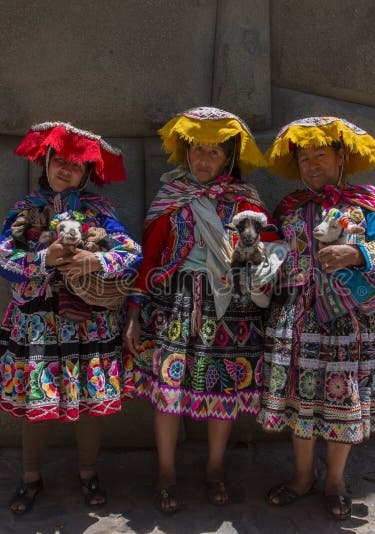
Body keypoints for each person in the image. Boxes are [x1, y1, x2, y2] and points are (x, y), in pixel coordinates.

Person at [123, 107, 282, 513]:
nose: (204, 160)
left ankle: (215, 469)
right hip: (175, 303)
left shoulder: (244, 201)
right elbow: (150, 256)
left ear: (228, 158)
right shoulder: (171, 198)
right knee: (167, 390)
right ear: (187, 152)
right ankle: (165, 471)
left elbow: (269, 245)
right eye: (197, 150)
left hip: (230, 306)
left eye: (214, 152)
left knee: (224, 389)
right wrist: (134, 313)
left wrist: (254, 252)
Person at [0, 122, 142, 514]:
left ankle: (89, 473)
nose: (66, 169)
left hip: (88, 323)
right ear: (46, 162)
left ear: (87, 172)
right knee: (37, 400)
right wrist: (45, 259)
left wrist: (95, 260)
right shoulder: (26, 210)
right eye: (60, 160)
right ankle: (30, 476)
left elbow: (131, 253)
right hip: (38, 322)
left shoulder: (99, 211)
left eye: (76, 165)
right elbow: (3, 258)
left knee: (89, 403)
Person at [257, 117, 375, 520]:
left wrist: (355, 254)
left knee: (342, 396)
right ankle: (302, 476)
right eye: (304, 159)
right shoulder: (289, 207)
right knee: (301, 397)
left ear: (341, 157)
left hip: (349, 320)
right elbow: (270, 245)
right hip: (298, 317)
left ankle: (335, 480)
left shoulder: (364, 204)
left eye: (320, 155)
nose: (311, 165)